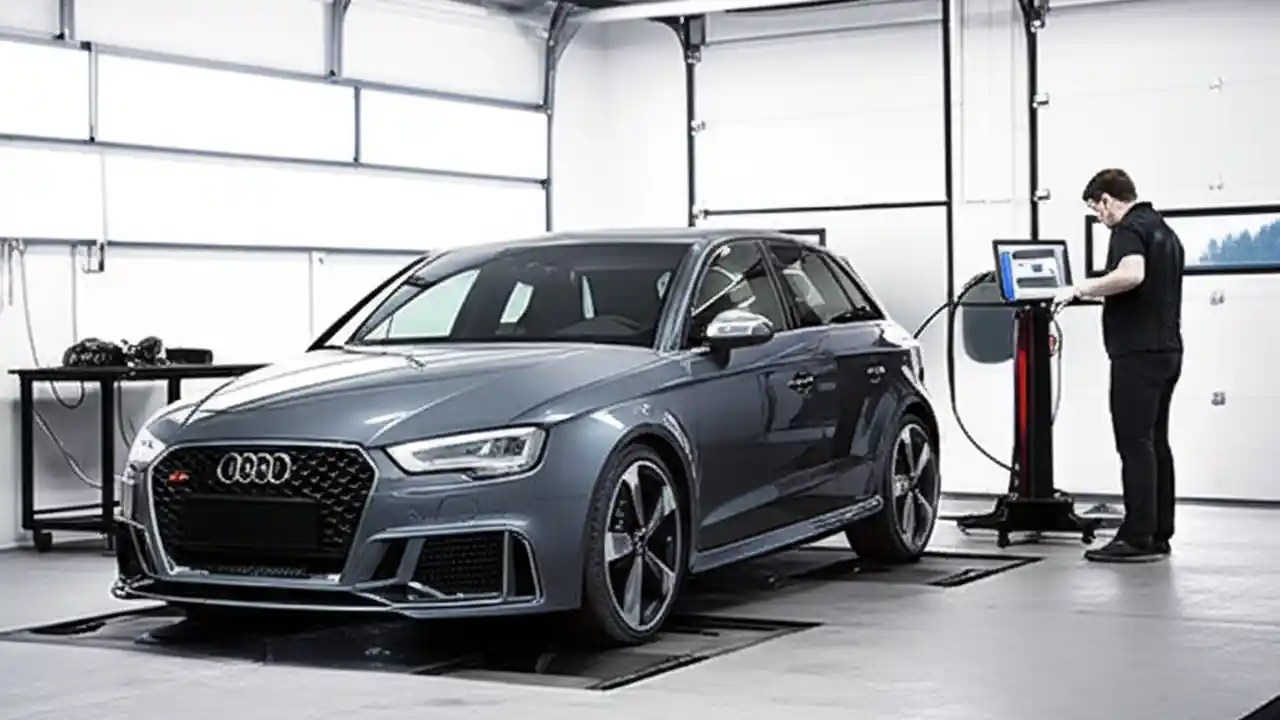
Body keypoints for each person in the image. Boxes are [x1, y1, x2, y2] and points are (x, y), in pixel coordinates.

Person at [1054, 168, 1185, 563]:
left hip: (1137, 354)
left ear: (1107, 200)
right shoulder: (1164, 231)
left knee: (1133, 443)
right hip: (1167, 351)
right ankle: (1159, 531)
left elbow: (1131, 275)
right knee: (1155, 443)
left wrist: (1077, 288)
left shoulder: (1127, 229)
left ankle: (1136, 535)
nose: (1100, 217)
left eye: (1097, 210)